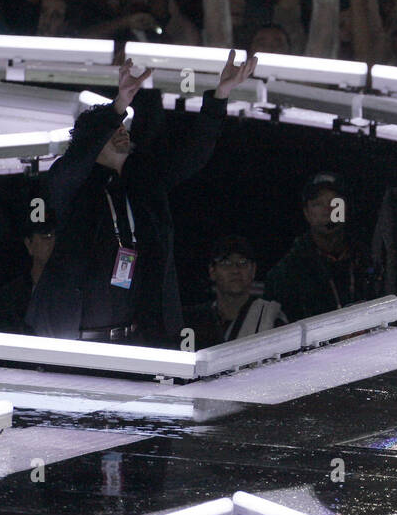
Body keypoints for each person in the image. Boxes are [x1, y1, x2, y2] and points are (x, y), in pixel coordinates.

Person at [26, 50, 258, 344]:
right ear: (91, 142)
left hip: (137, 338)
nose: (121, 131)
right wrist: (119, 103)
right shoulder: (72, 185)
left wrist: (220, 95)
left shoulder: (143, 181)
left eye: (123, 126)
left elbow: (193, 154)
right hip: (75, 341)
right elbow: (74, 162)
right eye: (113, 128)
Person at [263, 173, 380, 322]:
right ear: (307, 213)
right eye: (318, 203)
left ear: (346, 207)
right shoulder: (285, 275)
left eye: (335, 201)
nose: (328, 209)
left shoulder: (371, 260)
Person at [182, 236, 286, 348]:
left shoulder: (269, 318)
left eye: (242, 262)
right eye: (226, 263)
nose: (235, 270)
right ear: (212, 271)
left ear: (253, 270)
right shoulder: (194, 322)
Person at [0, 219, 56, 333]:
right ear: (29, 243)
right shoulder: (6, 299)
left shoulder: (75, 295)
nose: (53, 243)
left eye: (56, 237)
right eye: (46, 236)